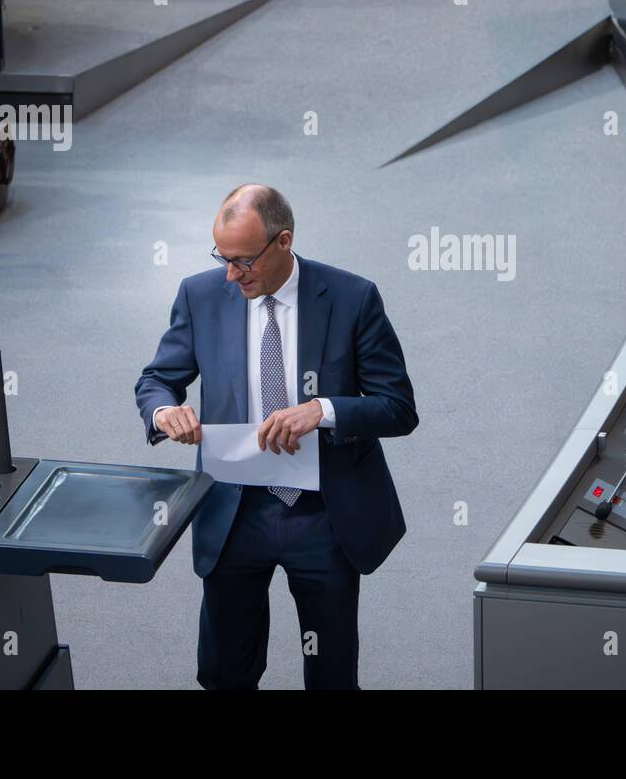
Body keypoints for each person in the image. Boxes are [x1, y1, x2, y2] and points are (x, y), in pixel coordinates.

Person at [135, 185, 418, 689]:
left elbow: (398, 408)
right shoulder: (199, 296)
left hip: (325, 519)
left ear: (283, 241)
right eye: (222, 257)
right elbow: (157, 378)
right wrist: (163, 413)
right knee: (225, 672)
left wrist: (323, 410)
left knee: (332, 674)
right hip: (234, 514)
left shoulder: (353, 299)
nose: (230, 274)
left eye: (242, 261)